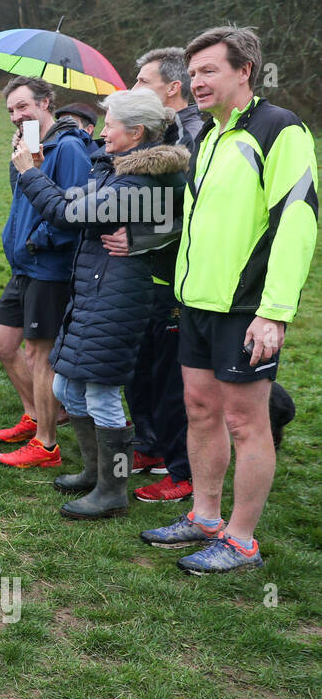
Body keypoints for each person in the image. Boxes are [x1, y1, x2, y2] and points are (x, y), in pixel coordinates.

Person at [142, 27, 318, 573]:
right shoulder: (206, 137)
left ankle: (241, 541)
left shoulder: (279, 129)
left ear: (245, 71)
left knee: (247, 422)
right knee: (199, 411)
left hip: (247, 307)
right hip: (195, 301)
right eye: (192, 73)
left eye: (209, 70)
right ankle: (205, 516)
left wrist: (275, 310)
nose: (196, 82)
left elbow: (298, 219)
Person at [14, 88, 189, 518]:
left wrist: (29, 174)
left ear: (137, 132)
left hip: (122, 295)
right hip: (95, 290)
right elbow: (77, 203)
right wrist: (43, 174)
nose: (101, 131)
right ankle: (96, 472)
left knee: (102, 393)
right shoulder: (116, 168)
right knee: (66, 386)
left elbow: (67, 215)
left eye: (109, 124)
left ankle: (113, 490)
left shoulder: (144, 179)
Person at [0, 76, 94, 467]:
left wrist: (39, 241)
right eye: (12, 111)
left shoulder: (68, 148)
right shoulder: (33, 145)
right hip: (24, 266)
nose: (17, 116)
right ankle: (35, 414)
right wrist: (20, 162)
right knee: (2, 343)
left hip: (49, 266)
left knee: (39, 354)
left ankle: (46, 444)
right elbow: (24, 200)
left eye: (23, 107)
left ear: (46, 103)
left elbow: (74, 210)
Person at [127, 46, 206, 503]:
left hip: (180, 277)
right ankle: (150, 447)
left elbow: (187, 211)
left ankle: (182, 472)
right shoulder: (162, 131)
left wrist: (137, 239)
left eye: (142, 81)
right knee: (144, 369)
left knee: (173, 379)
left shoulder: (193, 135)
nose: (135, 88)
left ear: (171, 88)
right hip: (150, 274)